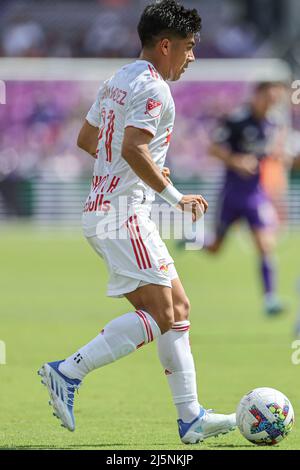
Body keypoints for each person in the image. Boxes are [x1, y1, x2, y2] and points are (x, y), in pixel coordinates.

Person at [38, 0, 236, 444]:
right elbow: (131, 148)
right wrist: (176, 196)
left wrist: (134, 168)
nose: (192, 57)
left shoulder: (118, 79)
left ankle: (191, 418)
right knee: (160, 314)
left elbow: (88, 139)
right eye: (187, 47)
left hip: (107, 211)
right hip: (124, 216)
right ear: (165, 45)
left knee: (178, 311)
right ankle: (67, 372)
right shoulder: (154, 88)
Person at [206, 82, 287, 315]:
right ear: (257, 96)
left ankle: (270, 299)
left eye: (276, 99)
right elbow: (213, 148)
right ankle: (193, 240)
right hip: (231, 194)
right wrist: (237, 161)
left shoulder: (273, 124)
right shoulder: (237, 120)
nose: (271, 103)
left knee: (265, 245)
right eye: (269, 97)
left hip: (255, 195)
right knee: (215, 247)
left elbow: (269, 152)